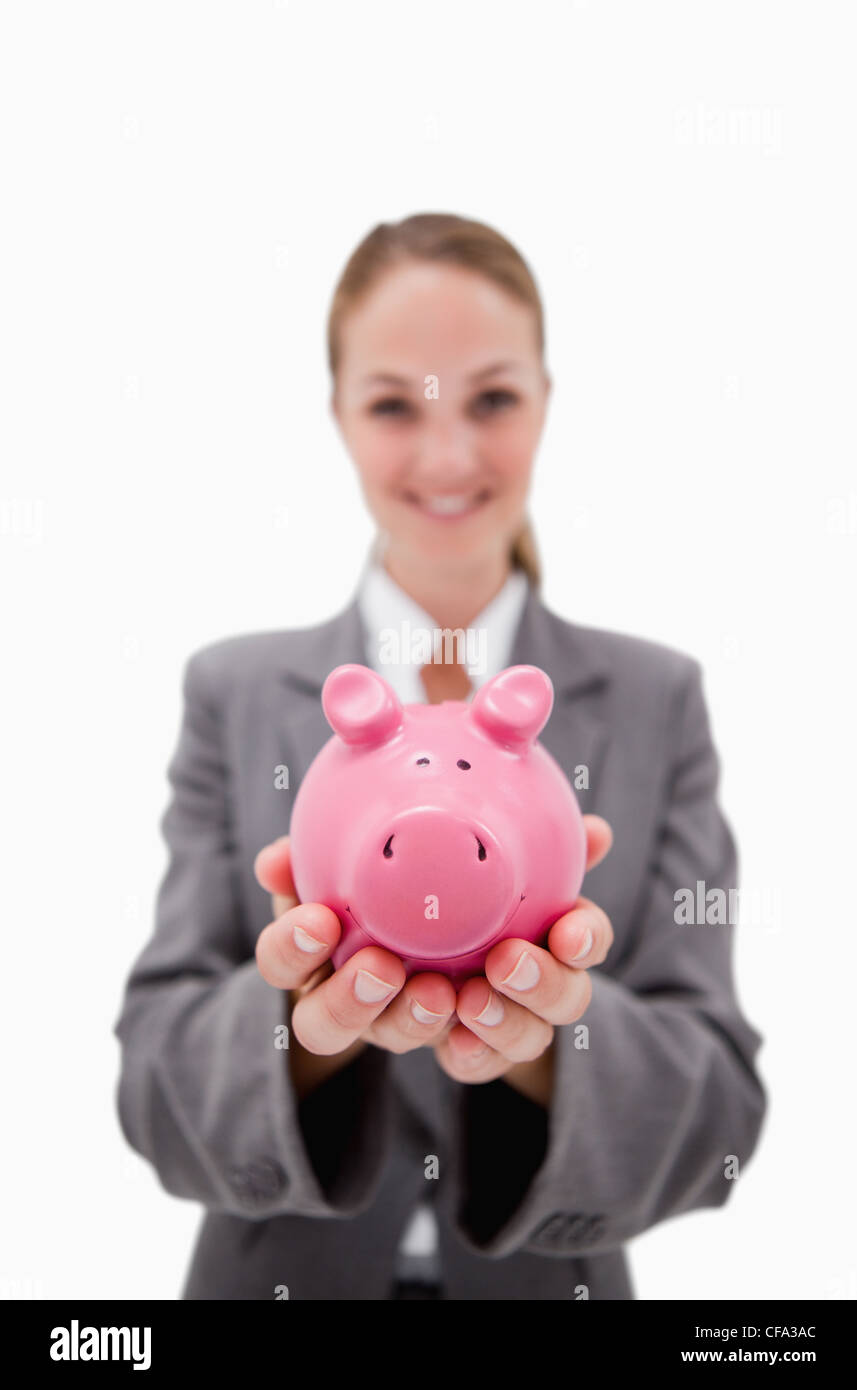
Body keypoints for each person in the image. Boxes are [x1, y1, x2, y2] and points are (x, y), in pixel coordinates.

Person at [112, 213, 768, 1300]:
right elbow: (150, 1085)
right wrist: (303, 1030)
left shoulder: (657, 700)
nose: (449, 456)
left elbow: (720, 1116)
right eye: (391, 405)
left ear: (548, 400)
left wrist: (542, 1040)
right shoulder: (232, 693)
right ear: (336, 416)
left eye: (493, 399)